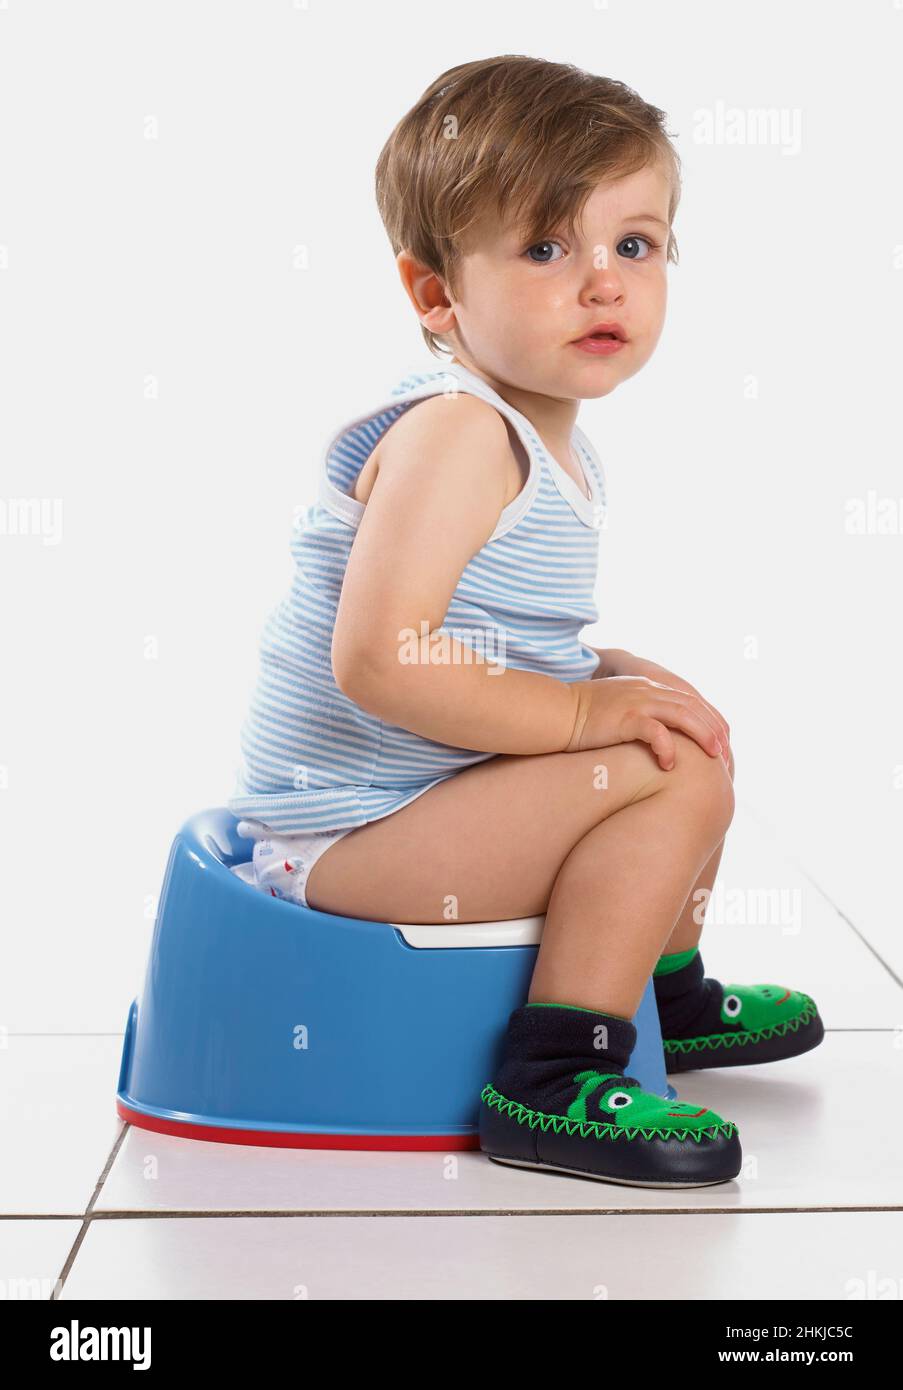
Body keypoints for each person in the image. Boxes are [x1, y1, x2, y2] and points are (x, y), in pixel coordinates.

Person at [228, 55, 823, 1187]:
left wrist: (612, 678)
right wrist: (585, 711)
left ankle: (665, 986)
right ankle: (553, 1073)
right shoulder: (461, 436)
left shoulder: (549, 440)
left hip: (419, 801)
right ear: (436, 294)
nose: (604, 284)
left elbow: (499, 641)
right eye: (548, 249)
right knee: (663, 771)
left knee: (678, 729)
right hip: (349, 834)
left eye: (634, 246)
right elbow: (380, 658)